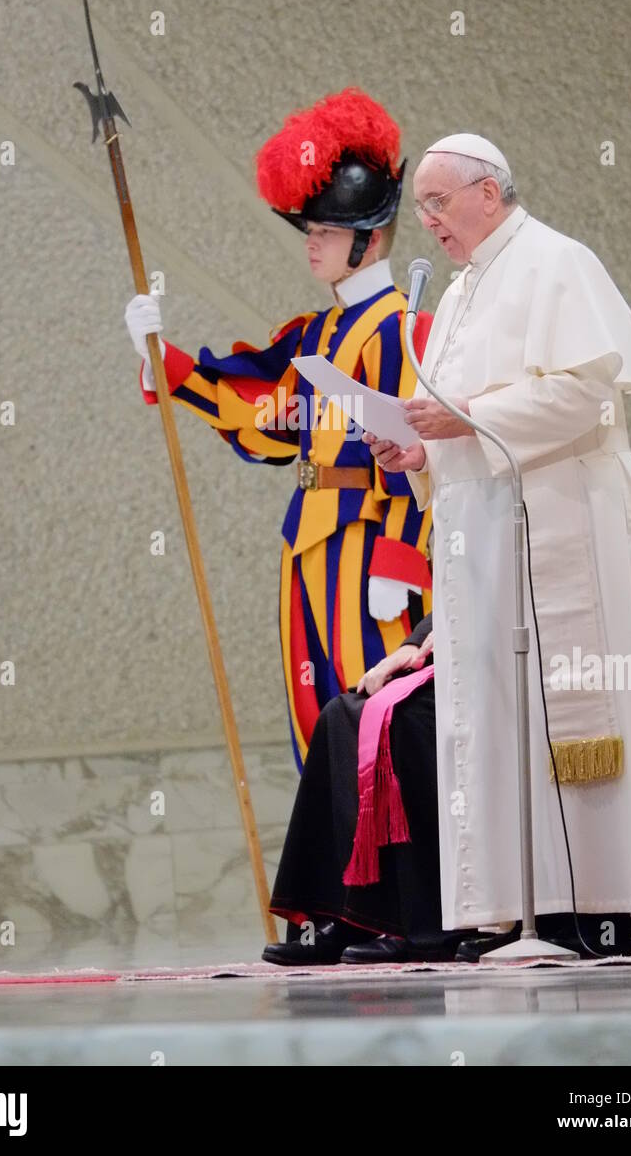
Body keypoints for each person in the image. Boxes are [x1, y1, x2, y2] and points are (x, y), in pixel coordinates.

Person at [365, 133, 631, 950]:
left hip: (566, 521)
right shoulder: (460, 293)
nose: (429, 221)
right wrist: (419, 455)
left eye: (439, 202)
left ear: (489, 192)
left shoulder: (557, 262)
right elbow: (459, 424)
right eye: (421, 208)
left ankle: (598, 901)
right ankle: (523, 902)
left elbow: (587, 394)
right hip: (486, 538)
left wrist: (466, 418)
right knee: (497, 712)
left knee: (573, 707)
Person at [263, 465, 631, 964]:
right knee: (345, 715)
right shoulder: (484, 480)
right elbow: (461, 587)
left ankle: (425, 924)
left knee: (409, 723)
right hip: (474, 660)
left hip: (558, 670)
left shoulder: (603, 476)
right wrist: (415, 643)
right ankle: (345, 916)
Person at [125, 90, 432, 767]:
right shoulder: (316, 333)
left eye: (326, 231)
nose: (312, 243)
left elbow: (419, 452)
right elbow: (267, 418)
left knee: (377, 715)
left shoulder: (403, 329)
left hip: (370, 545)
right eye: (310, 229)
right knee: (317, 716)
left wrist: (401, 560)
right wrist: (163, 359)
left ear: (369, 236)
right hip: (308, 537)